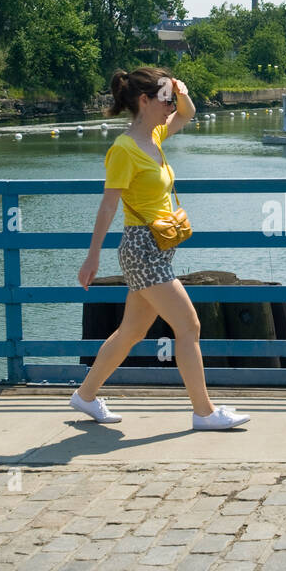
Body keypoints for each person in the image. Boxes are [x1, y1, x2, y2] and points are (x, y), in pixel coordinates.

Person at [72, 67, 250, 431]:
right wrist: (92, 258)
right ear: (144, 100)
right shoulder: (123, 149)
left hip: (159, 246)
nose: (170, 106)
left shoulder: (154, 134)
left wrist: (179, 89)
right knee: (189, 326)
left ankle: (85, 396)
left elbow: (189, 113)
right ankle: (204, 412)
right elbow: (107, 206)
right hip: (142, 249)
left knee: (131, 333)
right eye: (164, 99)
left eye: (170, 98)